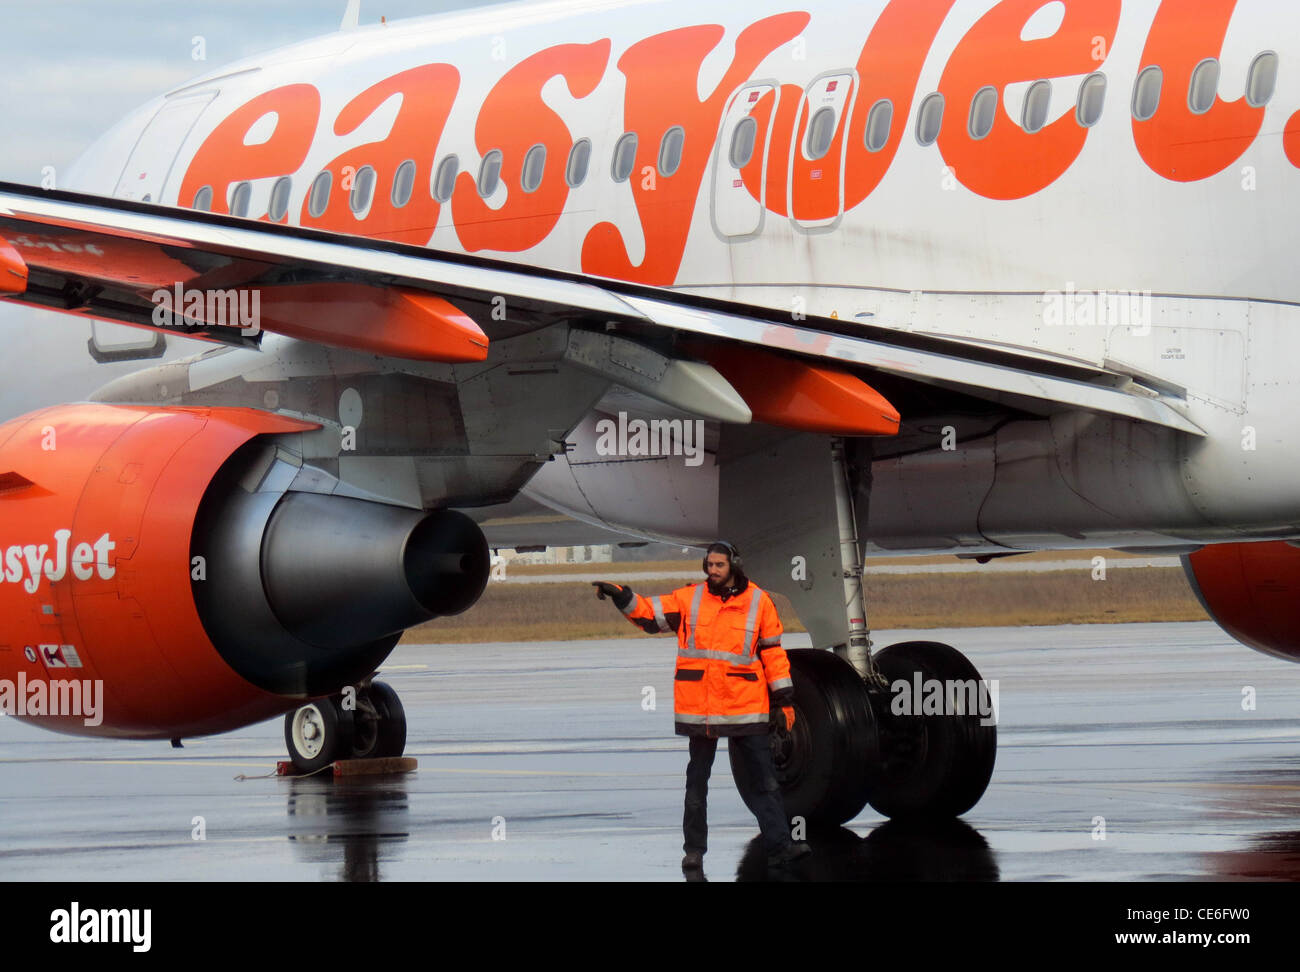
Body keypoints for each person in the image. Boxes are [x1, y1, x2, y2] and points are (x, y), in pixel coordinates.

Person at [594, 541, 812, 870]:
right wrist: (622, 596)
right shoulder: (689, 598)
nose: (712, 571)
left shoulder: (759, 601)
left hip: (745, 704)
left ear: (734, 566)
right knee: (697, 782)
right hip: (703, 706)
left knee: (764, 781)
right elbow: (650, 616)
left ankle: (780, 846)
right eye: (709, 565)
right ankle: (694, 850)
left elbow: (772, 653)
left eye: (719, 566)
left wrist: (783, 701)